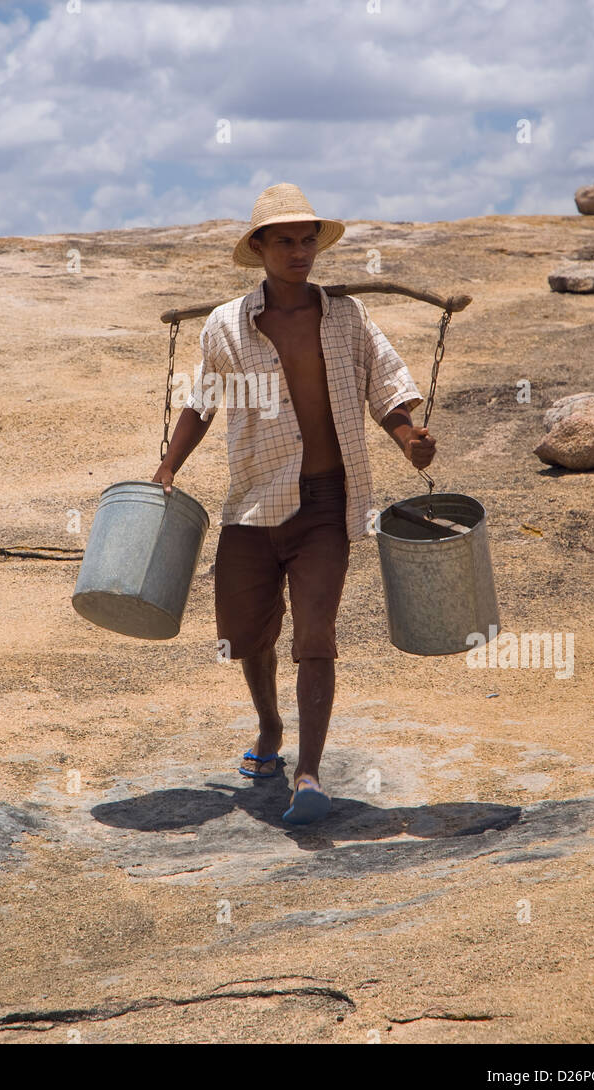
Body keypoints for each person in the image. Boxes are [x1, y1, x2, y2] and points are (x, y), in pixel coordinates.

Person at [152, 183, 436, 825]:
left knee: (315, 633)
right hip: (252, 502)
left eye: (308, 240)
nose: (300, 251)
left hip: (326, 506)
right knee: (245, 633)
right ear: (259, 248)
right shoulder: (227, 325)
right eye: (285, 240)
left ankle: (308, 773)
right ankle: (270, 727)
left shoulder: (347, 319)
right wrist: (168, 466)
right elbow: (200, 402)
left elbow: (386, 387)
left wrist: (408, 439)